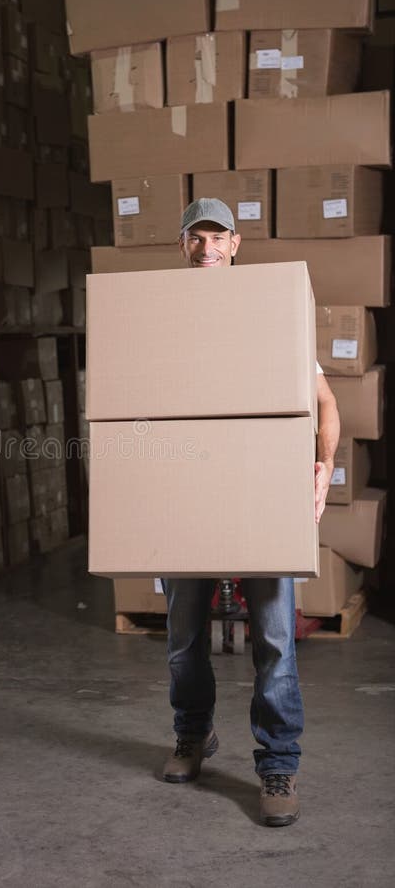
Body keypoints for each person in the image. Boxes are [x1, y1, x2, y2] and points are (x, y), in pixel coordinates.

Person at [161, 198, 340, 828]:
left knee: (273, 639)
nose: (206, 246)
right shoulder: (161, 322)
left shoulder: (272, 313)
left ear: (235, 244)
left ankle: (277, 763)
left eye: (217, 236)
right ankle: (193, 736)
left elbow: (326, 404)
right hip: (189, 498)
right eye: (194, 237)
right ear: (180, 247)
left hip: (261, 496)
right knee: (183, 638)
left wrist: (323, 465)